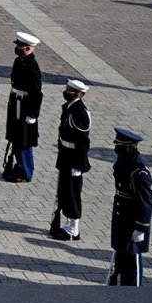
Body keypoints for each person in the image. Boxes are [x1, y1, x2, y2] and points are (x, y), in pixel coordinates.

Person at [106, 127, 152, 286]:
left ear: (128, 147)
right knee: (121, 256)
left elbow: (145, 201)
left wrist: (141, 228)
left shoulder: (139, 171)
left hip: (132, 221)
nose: (116, 149)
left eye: (119, 146)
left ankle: (134, 293)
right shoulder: (124, 161)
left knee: (132, 262)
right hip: (122, 219)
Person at [50, 79, 91, 241]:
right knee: (64, 192)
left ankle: (73, 229)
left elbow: (83, 143)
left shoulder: (80, 113)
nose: (65, 92)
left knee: (73, 194)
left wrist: (78, 166)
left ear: (77, 94)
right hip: (66, 155)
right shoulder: (70, 108)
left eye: (69, 90)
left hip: (74, 159)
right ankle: (67, 225)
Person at [3, 32, 43, 182]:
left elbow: (37, 93)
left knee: (24, 141)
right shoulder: (19, 61)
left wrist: (33, 114)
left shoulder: (32, 66)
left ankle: (26, 172)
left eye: (20, 46)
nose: (18, 48)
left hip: (25, 107)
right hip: (16, 103)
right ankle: (18, 167)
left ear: (28, 48)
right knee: (15, 137)